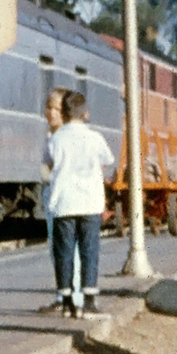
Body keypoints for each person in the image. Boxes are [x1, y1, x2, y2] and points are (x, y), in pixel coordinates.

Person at [41, 91, 116, 317]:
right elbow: (107, 161)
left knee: (64, 254)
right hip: (90, 203)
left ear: (63, 113)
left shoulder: (55, 139)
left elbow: (47, 165)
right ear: (85, 114)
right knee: (89, 252)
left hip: (63, 203)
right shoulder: (96, 138)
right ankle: (89, 302)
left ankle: (66, 303)